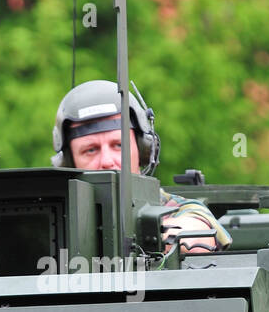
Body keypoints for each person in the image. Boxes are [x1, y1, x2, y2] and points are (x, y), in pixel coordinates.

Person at [51, 80, 230, 254]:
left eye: (119, 145)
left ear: (143, 148)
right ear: (69, 161)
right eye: (91, 150)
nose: (106, 160)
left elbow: (197, 233)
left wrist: (159, 236)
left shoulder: (169, 206)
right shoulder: (52, 218)